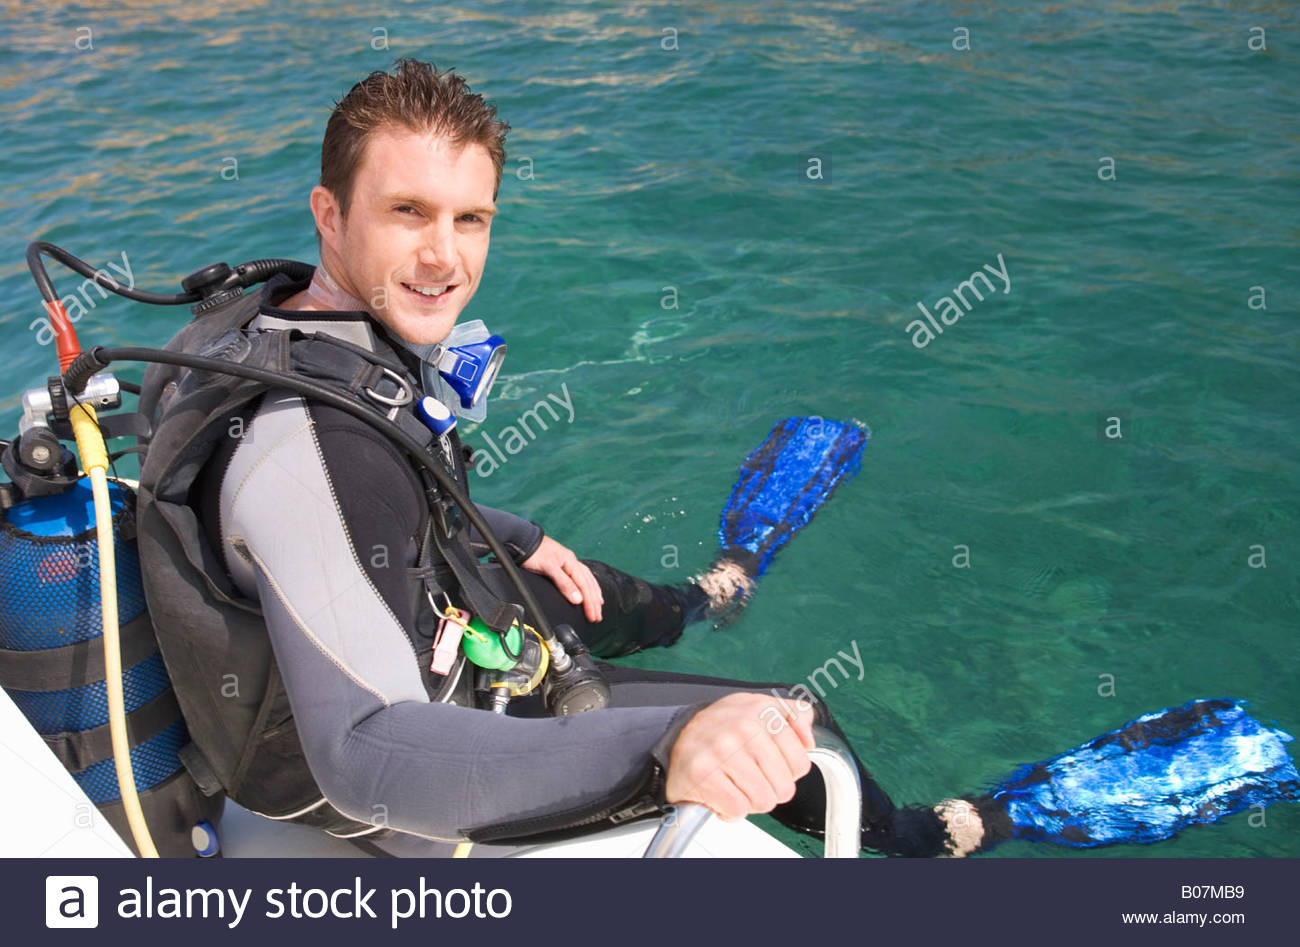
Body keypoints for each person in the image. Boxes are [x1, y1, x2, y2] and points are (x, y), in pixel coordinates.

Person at [146, 59, 1300, 860]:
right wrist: (669, 746)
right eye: (408, 213)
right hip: (391, 790)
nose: (445, 258)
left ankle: (712, 589)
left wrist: (512, 532)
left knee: (601, 589)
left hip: (395, 624)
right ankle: (934, 835)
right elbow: (364, 752)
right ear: (328, 214)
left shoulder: (284, 340)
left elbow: (364, 518)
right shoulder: (307, 439)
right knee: (796, 722)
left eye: (471, 218)